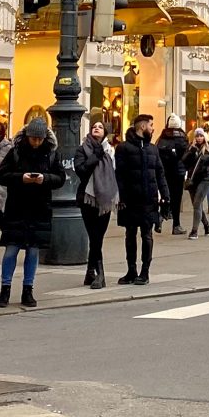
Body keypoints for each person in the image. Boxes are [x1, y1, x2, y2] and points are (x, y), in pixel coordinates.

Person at [0, 118, 64, 308]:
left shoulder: (50, 154)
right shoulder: (15, 152)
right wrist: (21, 178)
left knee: (33, 251)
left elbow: (60, 178)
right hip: (17, 208)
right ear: (27, 136)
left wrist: (45, 178)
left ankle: (28, 289)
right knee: (11, 250)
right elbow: (1, 175)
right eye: (33, 138)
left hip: (40, 208)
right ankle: (5, 289)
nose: (36, 142)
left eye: (39, 139)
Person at [114, 111, 166, 284]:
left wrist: (165, 196)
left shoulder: (153, 149)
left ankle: (145, 272)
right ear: (142, 126)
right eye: (151, 125)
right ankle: (131, 270)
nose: (153, 129)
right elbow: (119, 175)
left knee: (147, 235)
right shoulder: (123, 148)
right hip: (129, 200)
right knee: (130, 235)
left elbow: (160, 174)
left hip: (148, 199)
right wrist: (121, 197)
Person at [73, 118, 117, 289]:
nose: (96, 128)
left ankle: (90, 272)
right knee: (95, 236)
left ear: (105, 132)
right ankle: (100, 274)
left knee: (98, 237)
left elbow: (115, 173)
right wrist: (96, 156)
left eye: (100, 127)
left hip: (105, 199)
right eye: (94, 127)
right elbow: (81, 170)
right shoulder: (82, 149)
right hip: (88, 198)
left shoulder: (110, 151)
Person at [185, 129, 209, 239]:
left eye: (201, 136)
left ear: (204, 137)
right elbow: (183, 162)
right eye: (197, 136)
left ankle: (194, 231)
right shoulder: (190, 148)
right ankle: (207, 224)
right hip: (192, 180)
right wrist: (191, 150)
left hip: (205, 180)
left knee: (197, 204)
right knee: (196, 206)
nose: (199, 138)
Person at [158, 116, 190, 236]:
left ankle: (161, 217)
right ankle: (176, 224)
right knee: (176, 198)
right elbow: (187, 156)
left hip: (165, 172)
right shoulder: (182, 138)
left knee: (165, 195)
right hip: (178, 172)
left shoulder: (162, 137)